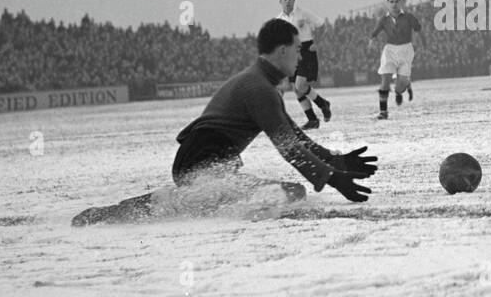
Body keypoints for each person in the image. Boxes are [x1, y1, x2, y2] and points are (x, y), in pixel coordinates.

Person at [71, 20, 376, 225]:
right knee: (283, 194)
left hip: (207, 161)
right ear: (282, 50)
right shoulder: (259, 88)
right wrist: (333, 178)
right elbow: (289, 150)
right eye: (298, 49)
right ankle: (105, 215)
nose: (300, 56)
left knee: (279, 194)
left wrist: (340, 162)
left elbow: (295, 139)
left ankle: (110, 213)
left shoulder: (262, 86)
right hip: (200, 163)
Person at [273, 0, 331, 129]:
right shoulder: (278, 20)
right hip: (290, 53)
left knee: (300, 85)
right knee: (296, 89)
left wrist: (317, 42)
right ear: (280, 1)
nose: (288, 1)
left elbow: (323, 25)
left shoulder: (303, 13)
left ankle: (322, 103)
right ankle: (313, 119)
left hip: (306, 50)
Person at [371, 0, 423, 119]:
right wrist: (371, 42)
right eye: (391, 2)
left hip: (406, 49)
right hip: (390, 50)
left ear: (401, 3)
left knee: (400, 84)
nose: (394, 4)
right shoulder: (384, 19)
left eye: (396, 1)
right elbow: (374, 33)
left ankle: (400, 91)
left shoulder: (409, 17)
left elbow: (418, 31)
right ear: (387, 4)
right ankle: (383, 112)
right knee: (385, 80)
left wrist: (423, 46)